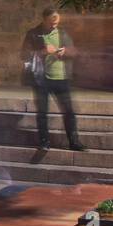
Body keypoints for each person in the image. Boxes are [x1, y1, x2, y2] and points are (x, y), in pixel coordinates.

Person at [22, 8, 85, 152]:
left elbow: (74, 51)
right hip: (41, 79)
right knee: (42, 112)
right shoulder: (33, 34)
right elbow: (24, 54)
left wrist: (66, 51)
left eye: (56, 23)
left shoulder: (63, 33)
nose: (53, 26)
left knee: (69, 111)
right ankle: (44, 142)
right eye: (51, 23)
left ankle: (74, 141)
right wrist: (43, 52)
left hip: (61, 78)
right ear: (44, 20)